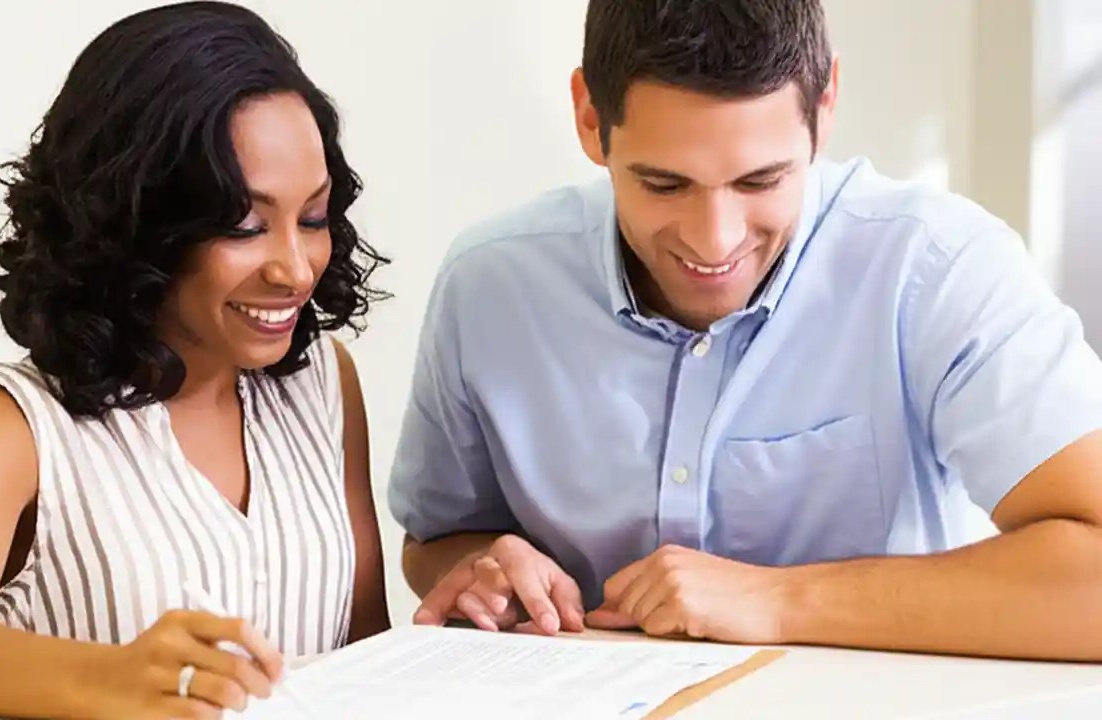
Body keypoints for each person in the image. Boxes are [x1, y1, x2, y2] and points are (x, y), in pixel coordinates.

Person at [390, 0, 1102, 661]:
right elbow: (436, 539)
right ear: (587, 118)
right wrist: (482, 568)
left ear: (825, 107)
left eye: (761, 181)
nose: (713, 240)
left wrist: (779, 599)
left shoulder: (937, 268)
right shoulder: (490, 284)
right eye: (664, 184)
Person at [0, 3, 390, 718]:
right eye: (245, 225)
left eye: (314, 217)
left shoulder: (322, 382)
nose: (295, 268)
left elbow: (365, 656)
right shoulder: (5, 425)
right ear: (134, 216)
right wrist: (114, 677)